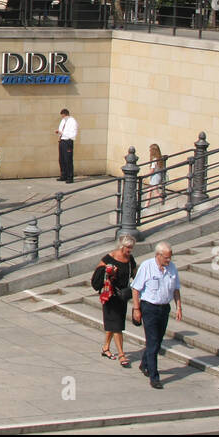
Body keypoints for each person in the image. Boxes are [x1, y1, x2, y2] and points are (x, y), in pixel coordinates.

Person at [131, 241, 182, 389]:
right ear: (158, 255)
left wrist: (179, 307)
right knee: (153, 342)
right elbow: (136, 289)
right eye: (166, 257)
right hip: (149, 308)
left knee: (157, 340)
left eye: (170, 257)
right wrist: (136, 309)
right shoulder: (147, 266)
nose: (169, 260)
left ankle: (144, 363)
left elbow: (176, 289)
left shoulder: (172, 268)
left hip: (164, 308)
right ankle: (154, 377)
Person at [92, 235, 138, 367]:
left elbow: (135, 274)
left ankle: (105, 347)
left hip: (122, 296)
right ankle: (122, 355)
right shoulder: (109, 258)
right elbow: (97, 276)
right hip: (110, 296)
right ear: (122, 246)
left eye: (131, 248)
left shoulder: (130, 259)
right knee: (117, 326)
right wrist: (108, 272)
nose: (130, 250)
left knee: (114, 324)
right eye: (128, 247)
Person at [56, 108, 78, 182]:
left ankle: (70, 177)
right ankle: (63, 175)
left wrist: (62, 133)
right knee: (61, 159)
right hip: (62, 141)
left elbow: (72, 134)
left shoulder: (73, 121)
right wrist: (59, 134)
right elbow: (61, 129)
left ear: (66, 114)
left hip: (68, 141)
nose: (62, 118)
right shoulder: (63, 121)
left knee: (68, 160)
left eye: (63, 116)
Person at [145, 143, 164, 211]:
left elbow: (152, 170)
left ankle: (162, 202)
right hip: (158, 175)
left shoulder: (154, 160)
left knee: (155, 193)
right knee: (149, 191)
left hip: (154, 177)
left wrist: (146, 176)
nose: (149, 151)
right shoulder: (160, 159)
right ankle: (146, 206)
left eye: (150, 150)